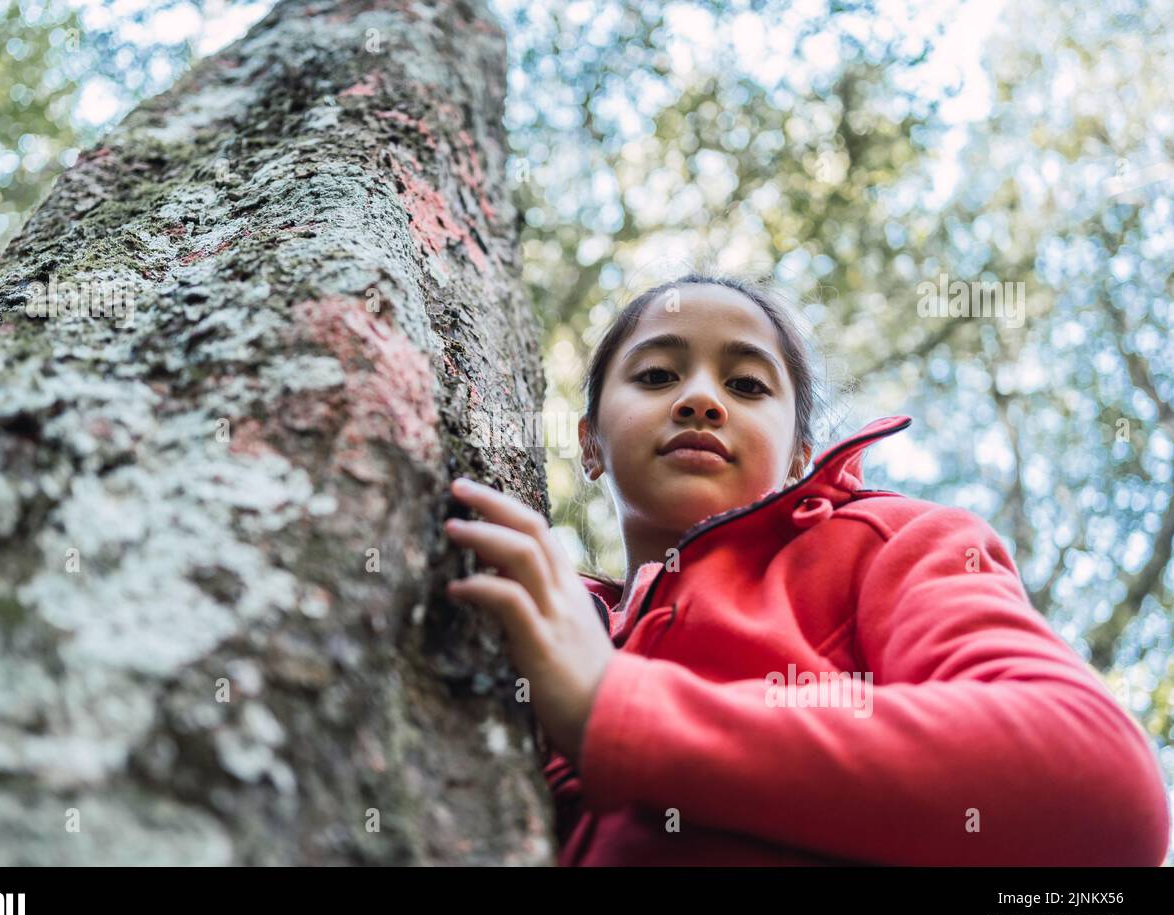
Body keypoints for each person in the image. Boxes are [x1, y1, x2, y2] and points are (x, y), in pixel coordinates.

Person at [443, 273, 1170, 866]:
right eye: (659, 373)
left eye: (749, 386)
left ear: (799, 455)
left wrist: (618, 710)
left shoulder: (891, 542)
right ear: (590, 443)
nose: (701, 399)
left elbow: (1102, 786)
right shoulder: (548, 610)